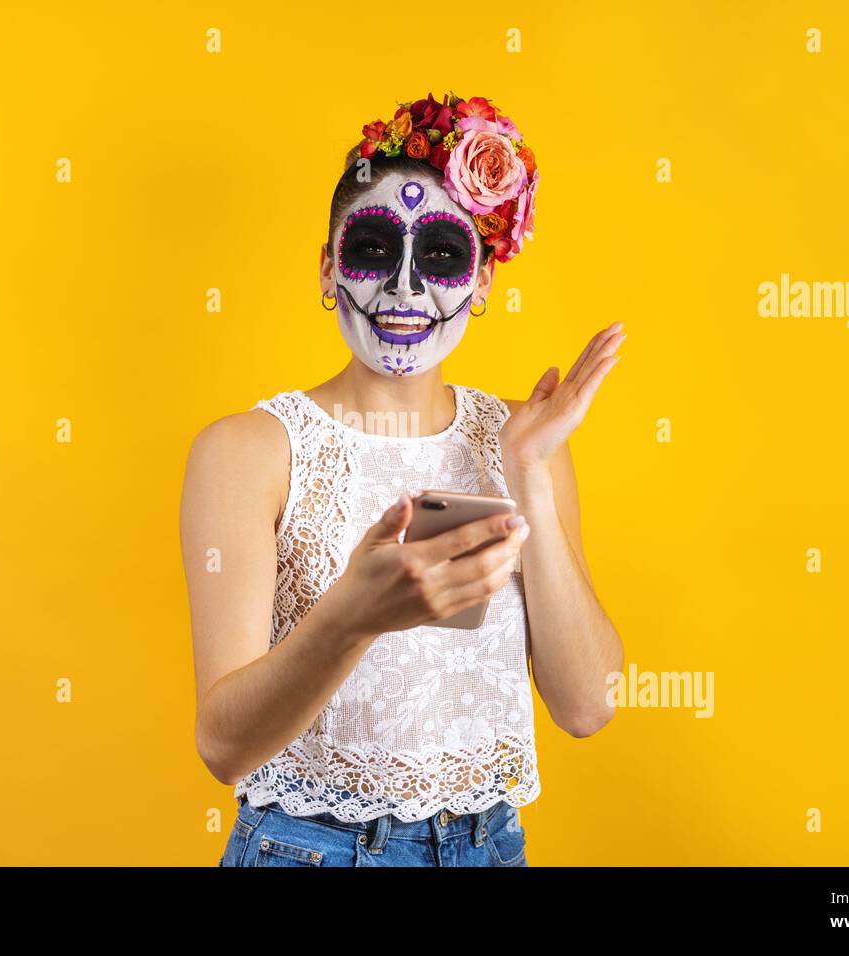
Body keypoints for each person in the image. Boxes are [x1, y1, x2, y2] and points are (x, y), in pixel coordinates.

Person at [181, 92, 625, 867]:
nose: (406, 291)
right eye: (376, 249)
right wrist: (350, 617)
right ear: (328, 268)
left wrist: (528, 474)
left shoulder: (526, 440)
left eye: (445, 257)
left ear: (483, 282)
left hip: (490, 847)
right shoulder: (246, 451)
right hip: (309, 851)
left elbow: (587, 705)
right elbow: (223, 746)